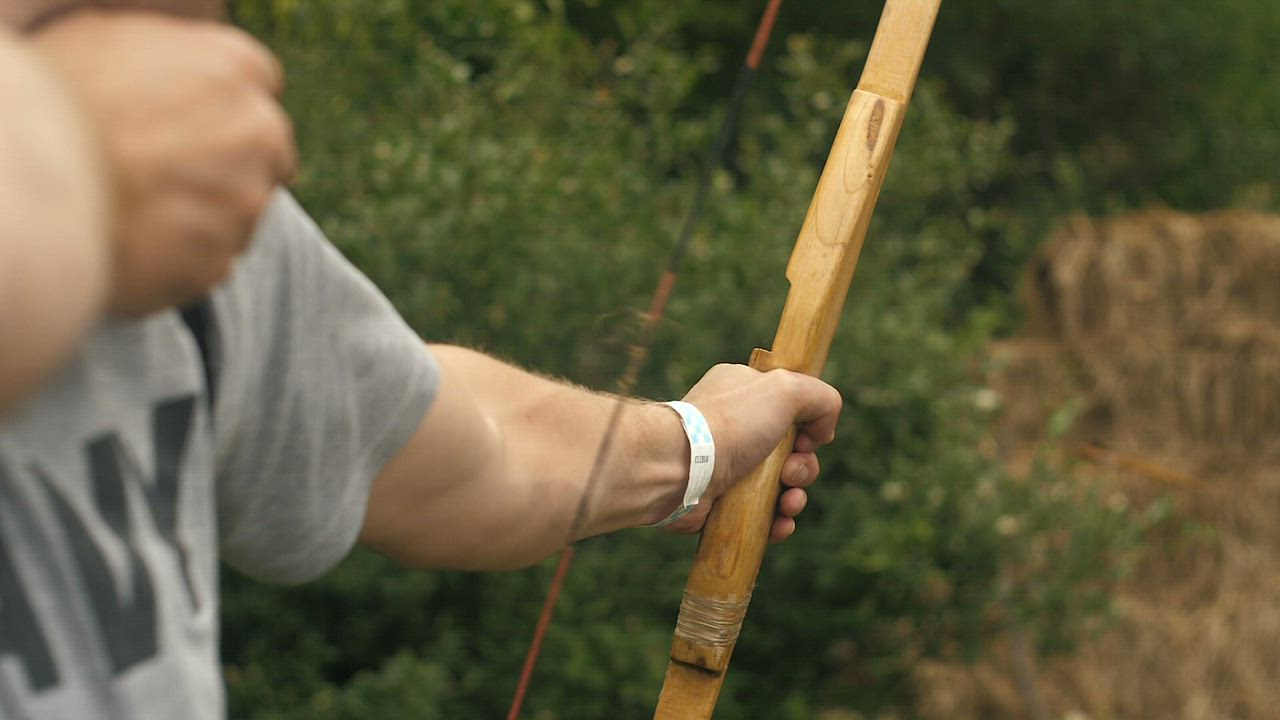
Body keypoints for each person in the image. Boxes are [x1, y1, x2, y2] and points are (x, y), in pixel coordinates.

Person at [0, 5, 843, 718]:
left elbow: (463, 453)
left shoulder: (185, 228)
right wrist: (70, 146)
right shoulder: (97, 151)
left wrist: (700, 443)